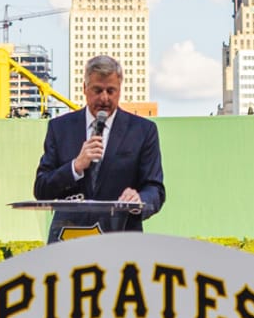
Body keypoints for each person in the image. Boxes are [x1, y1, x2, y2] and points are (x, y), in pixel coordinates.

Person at [33, 55, 164, 240]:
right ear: (84, 88)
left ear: (120, 90)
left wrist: (139, 199)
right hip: (68, 243)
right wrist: (75, 167)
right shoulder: (60, 128)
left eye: (111, 91)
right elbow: (41, 189)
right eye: (97, 90)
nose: (104, 98)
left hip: (121, 243)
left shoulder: (143, 131)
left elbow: (155, 189)